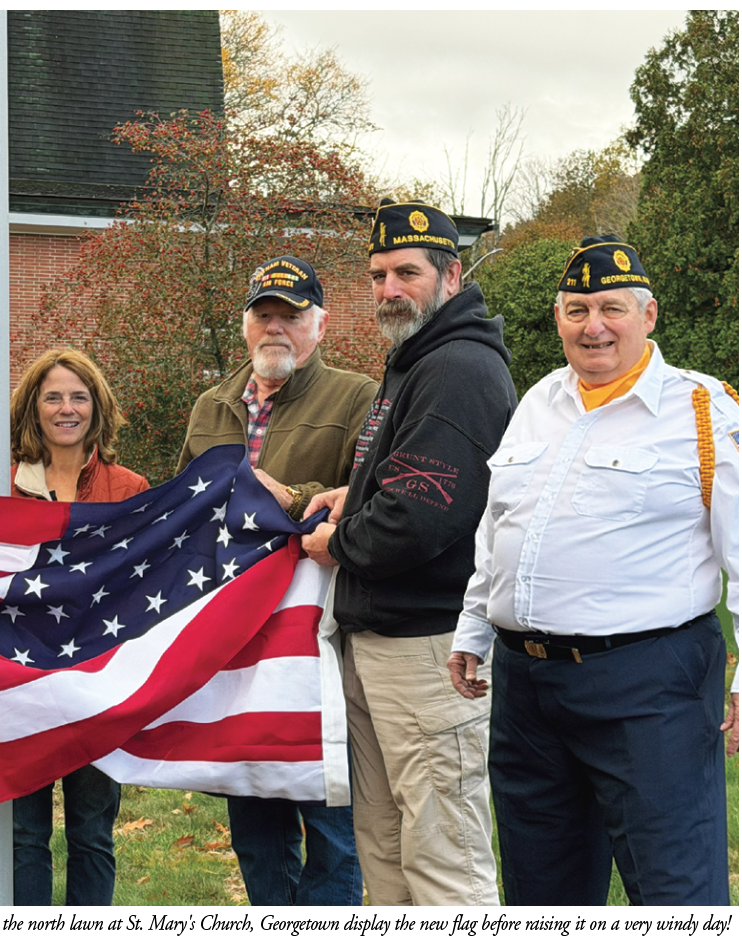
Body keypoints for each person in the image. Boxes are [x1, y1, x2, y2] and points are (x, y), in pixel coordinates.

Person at [448, 237, 739, 905]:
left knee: (674, 892)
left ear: (649, 315)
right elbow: (500, 527)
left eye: (612, 307)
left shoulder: (702, 409)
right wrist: (473, 627)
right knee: (540, 895)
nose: (594, 326)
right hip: (526, 690)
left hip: (646, 688)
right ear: (558, 319)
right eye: (577, 309)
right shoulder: (539, 402)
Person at [301, 201, 516, 906]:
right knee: (388, 855)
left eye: (407, 273)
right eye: (377, 274)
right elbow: (405, 478)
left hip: (428, 655)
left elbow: (419, 516)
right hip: (381, 645)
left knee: (444, 861)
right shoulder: (414, 360)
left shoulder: (458, 367)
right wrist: (350, 494)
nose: (389, 288)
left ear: (450, 275)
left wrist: (339, 540)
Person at [178, 256, 376, 905]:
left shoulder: (358, 397)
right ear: (245, 325)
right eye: (265, 313)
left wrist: (287, 497)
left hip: (320, 647)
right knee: (256, 827)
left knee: (333, 830)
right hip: (236, 646)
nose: (276, 327)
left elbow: (369, 503)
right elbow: (179, 508)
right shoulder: (210, 406)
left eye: (291, 314)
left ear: (319, 324)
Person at [7, 347, 148, 906]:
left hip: (98, 683)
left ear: (97, 406)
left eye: (78, 397)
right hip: (20, 682)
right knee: (23, 835)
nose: (67, 409)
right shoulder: (1, 488)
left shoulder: (131, 489)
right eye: (53, 397)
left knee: (91, 834)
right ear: (33, 409)